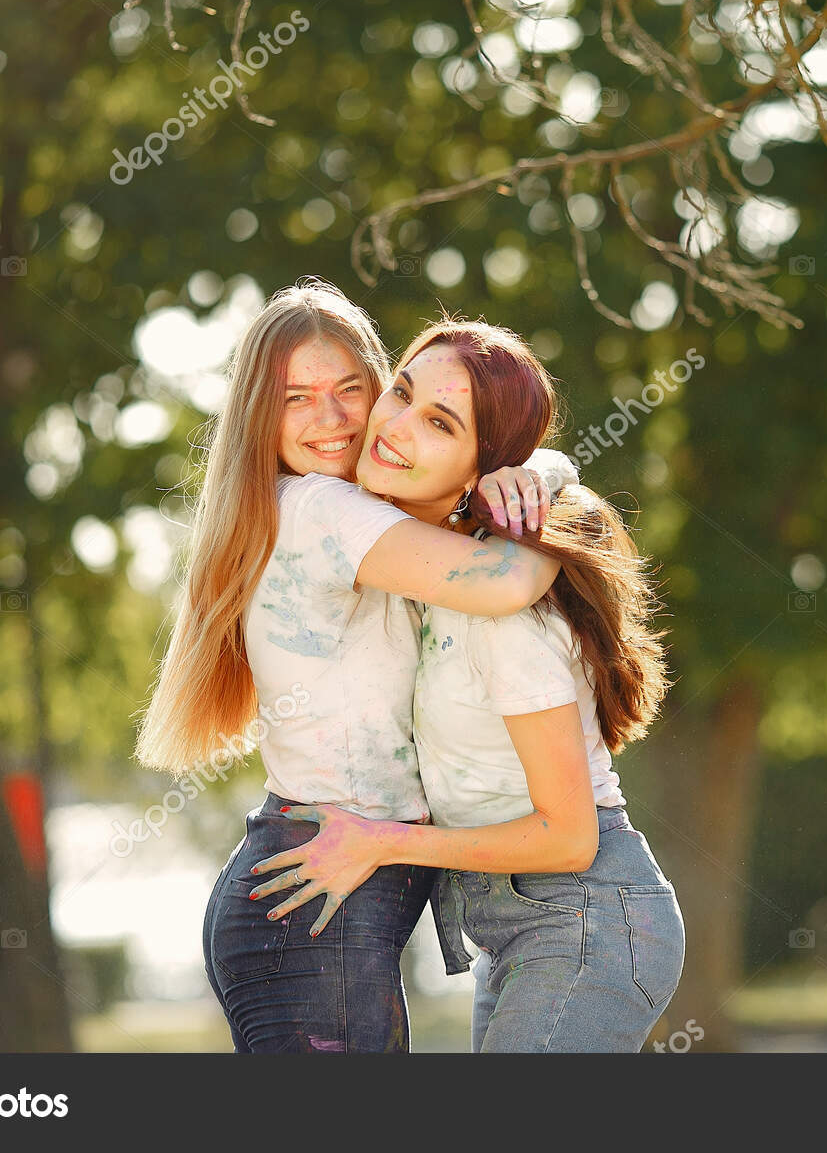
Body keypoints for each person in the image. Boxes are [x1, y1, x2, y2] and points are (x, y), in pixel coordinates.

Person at [136, 281, 568, 1052]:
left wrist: (527, 474)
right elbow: (504, 582)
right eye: (295, 397)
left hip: (314, 885)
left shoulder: (341, 516)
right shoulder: (320, 511)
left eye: (348, 390)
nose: (330, 419)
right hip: (315, 903)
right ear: (257, 418)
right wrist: (544, 496)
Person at [247, 320, 685, 1052]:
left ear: (480, 466)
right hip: (515, 928)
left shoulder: (503, 614)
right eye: (402, 393)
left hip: (588, 919)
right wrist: (544, 473)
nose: (394, 427)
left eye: (440, 423)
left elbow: (571, 837)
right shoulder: (421, 567)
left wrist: (381, 843)